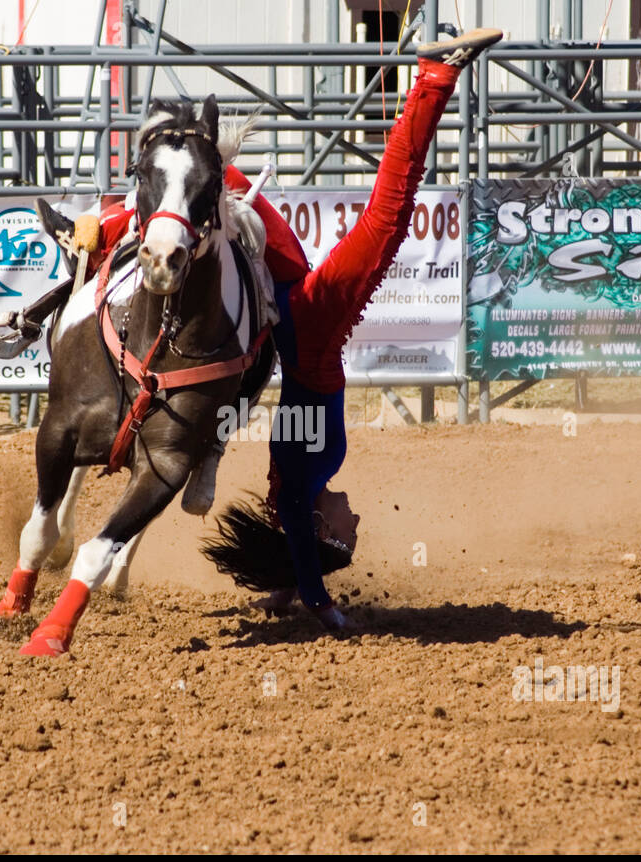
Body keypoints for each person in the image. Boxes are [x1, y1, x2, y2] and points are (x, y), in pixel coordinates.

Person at [56, 27, 503, 632]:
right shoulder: (298, 474)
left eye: (344, 538)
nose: (356, 526)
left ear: (323, 529)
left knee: (389, 212)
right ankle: (112, 229)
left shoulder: (304, 474)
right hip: (294, 316)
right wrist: (290, 585)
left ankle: (434, 77)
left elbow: (291, 511)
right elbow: (288, 512)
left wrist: (316, 598)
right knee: (212, 206)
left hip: (311, 333)